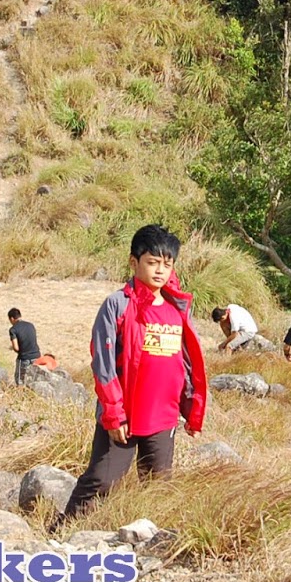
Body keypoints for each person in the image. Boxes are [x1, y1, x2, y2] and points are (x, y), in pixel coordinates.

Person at [58, 224, 207, 523]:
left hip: (163, 417)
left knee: (158, 486)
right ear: (133, 262)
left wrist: (190, 409)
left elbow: (187, 363)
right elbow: (103, 363)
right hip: (124, 416)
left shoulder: (178, 307)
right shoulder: (117, 304)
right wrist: (113, 413)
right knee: (102, 481)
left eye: (167, 264)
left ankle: (146, 541)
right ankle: (61, 533)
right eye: (152, 262)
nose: (160, 271)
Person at [9, 307, 42, 387]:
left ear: (12, 318)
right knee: (34, 380)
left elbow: (16, 348)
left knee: (20, 381)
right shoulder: (31, 325)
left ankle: (20, 397)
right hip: (37, 356)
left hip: (24, 358)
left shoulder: (13, 329)